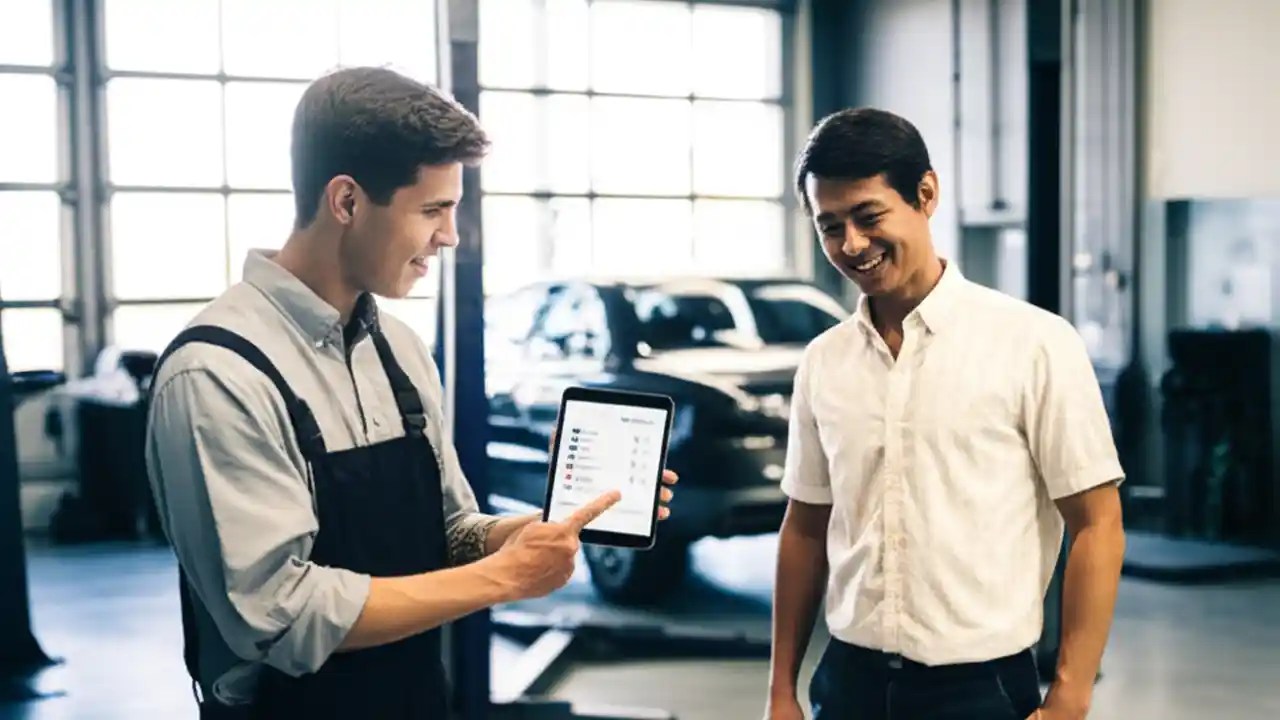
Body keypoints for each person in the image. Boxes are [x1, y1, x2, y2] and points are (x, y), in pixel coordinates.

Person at [144, 66, 678, 719]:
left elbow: (448, 529)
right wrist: (502, 580)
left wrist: (532, 535)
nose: (449, 237)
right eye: (433, 210)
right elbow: (279, 615)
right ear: (346, 202)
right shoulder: (218, 375)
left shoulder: (398, 347)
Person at [765, 108, 1126, 720]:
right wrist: (780, 691)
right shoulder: (824, 362)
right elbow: (804, 528)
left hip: (980, 691)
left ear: (925, 194)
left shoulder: (1035, 343)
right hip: (848, 683)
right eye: (830, 227)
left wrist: (1071, 693)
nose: (852, 245)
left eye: (868, 216)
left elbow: (1097, 522)